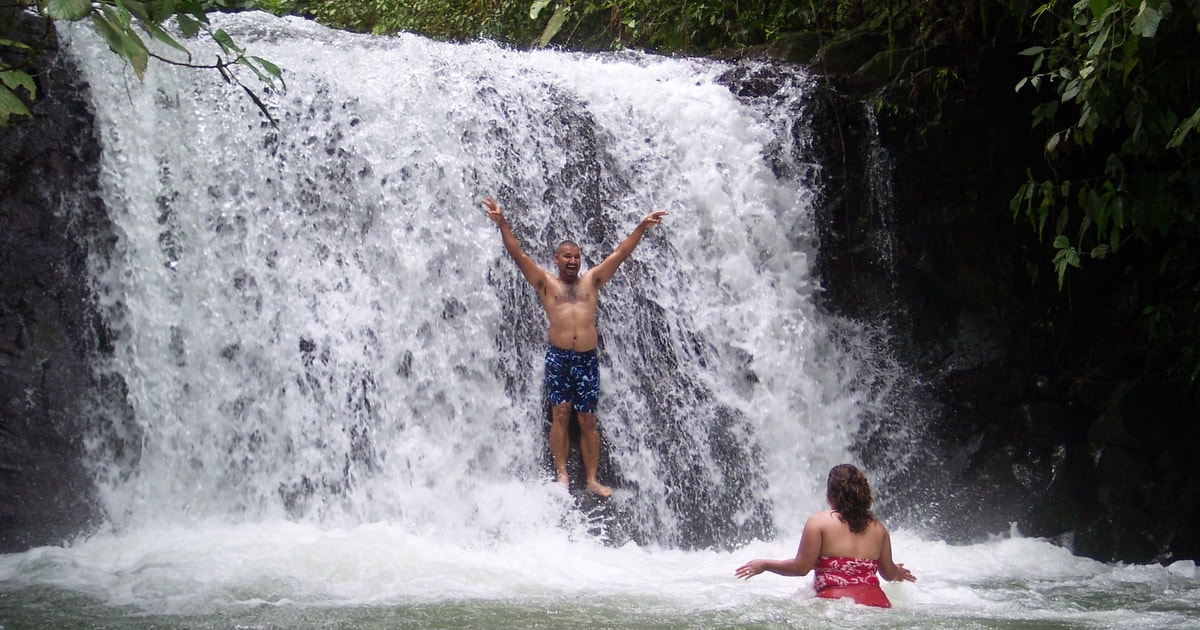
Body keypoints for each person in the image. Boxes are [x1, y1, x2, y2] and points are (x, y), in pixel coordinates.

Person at [482, 196, 668, 498]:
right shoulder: (545, 283)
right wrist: (502, 224)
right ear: (557, 259)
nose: (572, 261)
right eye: (567, 256)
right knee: (561, 414)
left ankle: (592, 479)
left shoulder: (592, 281)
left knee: (586, 418)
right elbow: (518, 256)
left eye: (576, 257)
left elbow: (621, 253)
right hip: (558, 358)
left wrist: (642, 227)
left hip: (585, 360)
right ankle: (562, 476)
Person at [734, 464, 916, 607]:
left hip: (835, 606)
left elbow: (800, 568)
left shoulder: (819, 523)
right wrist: (897, 572)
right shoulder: (878, 528)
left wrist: (765, 564)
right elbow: (888, 573)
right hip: (878, 604)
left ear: (829, 495)